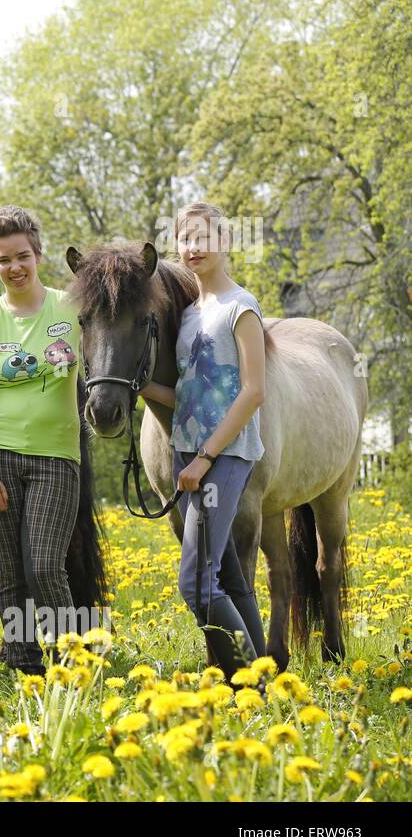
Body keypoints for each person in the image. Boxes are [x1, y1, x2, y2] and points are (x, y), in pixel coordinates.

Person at [140, 202, 267, 673]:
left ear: (225, 242)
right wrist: (138, 386)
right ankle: (266, 676)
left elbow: (253, 392)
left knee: (195, 582)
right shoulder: (192, 313)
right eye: (186, 239)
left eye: (203, 237)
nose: (193, 248)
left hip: (224, 456)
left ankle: (245, 682)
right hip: (189, 455)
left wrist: (204, 458)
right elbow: (191, 396)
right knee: (229, 579)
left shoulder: (242, 307)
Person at [0, 205, 84, 675]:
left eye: (21, 256)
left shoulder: (71, 308)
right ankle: (21, 660)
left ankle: (71, 659)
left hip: (56, 458)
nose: (13, 267)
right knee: (9, 571)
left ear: (38, 254)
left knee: (46, 566)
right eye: (2, 259)